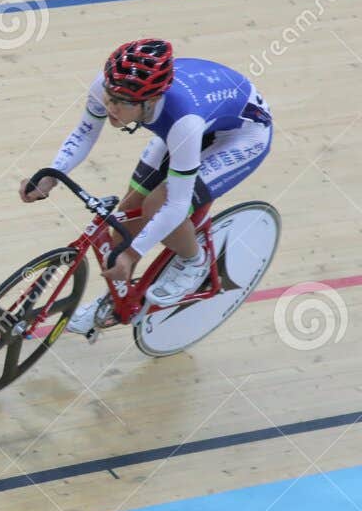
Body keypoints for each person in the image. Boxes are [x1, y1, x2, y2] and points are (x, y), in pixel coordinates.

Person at [23, 38, 273, 336]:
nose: (110, 107)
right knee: (127, 214)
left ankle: (194, 260)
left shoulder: (184, 122)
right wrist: (52, 175)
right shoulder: (110, 86)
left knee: (158, 205)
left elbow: (176, 205)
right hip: (201, 117)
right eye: (110, 96)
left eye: (122, 103)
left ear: (150, 101)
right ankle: (116, 302)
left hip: (241, 135)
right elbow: (84, 133)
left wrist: (131, 254)